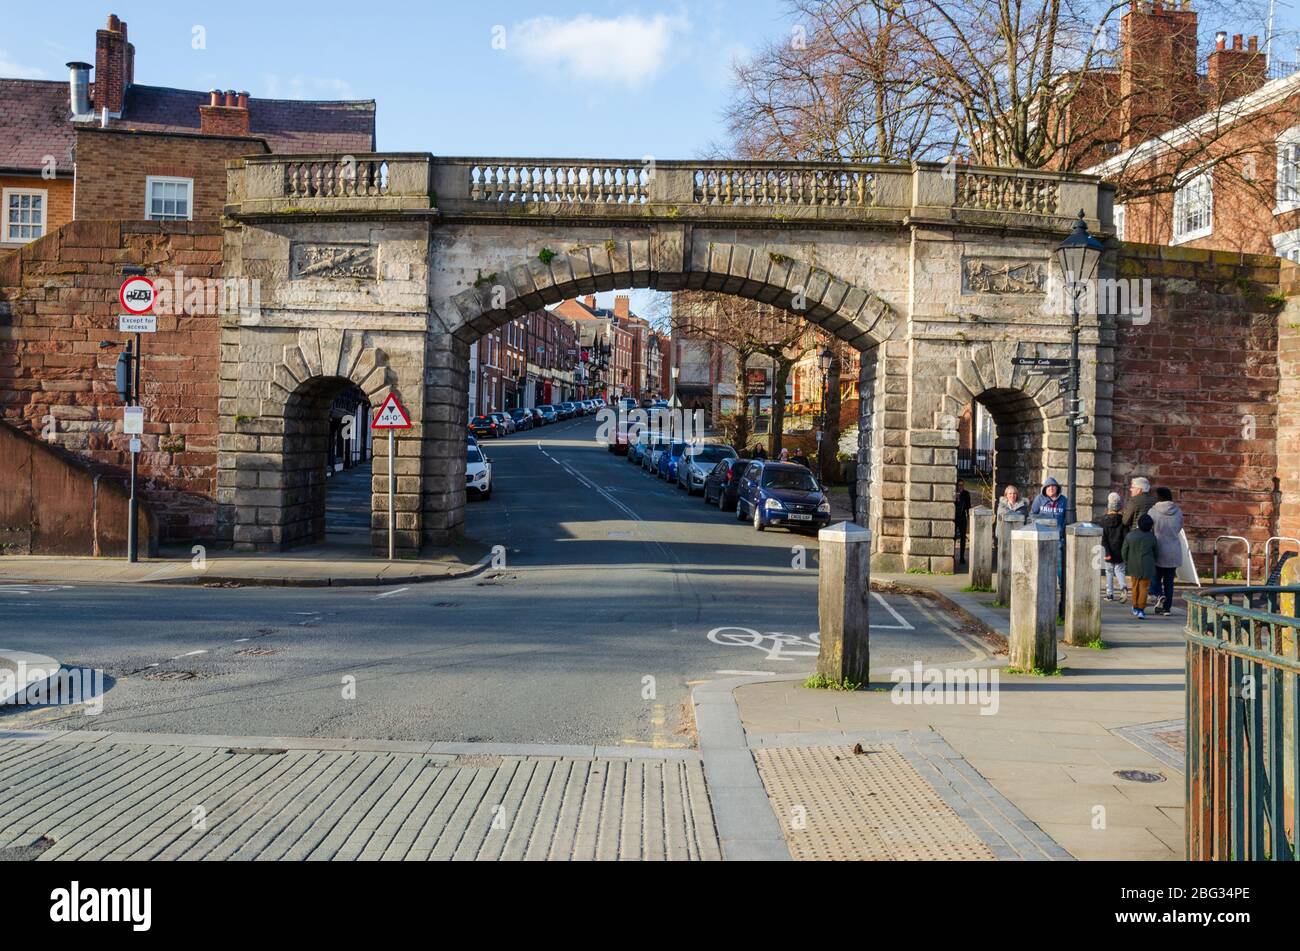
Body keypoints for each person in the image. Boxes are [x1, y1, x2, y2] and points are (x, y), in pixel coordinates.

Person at [1149, 486, 1184, 616]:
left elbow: (1149, 527)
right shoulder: (1178, 511)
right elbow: (1180, 527)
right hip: (1173, 549)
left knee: (1155, 577)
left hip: (1158, 548)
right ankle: (1167, 608)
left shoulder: (1153, 511)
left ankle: (1159, 595)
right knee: (1169, 582)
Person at [1121, 513, 1158, 620]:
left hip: (1133, 565)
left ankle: (1135, 606)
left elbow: (1124, 551)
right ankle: (1141, 609)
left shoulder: (1130, 535)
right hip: (1147, 566)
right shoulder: (1152, 537)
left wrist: (1127, 561)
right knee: (1144, 588)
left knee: (1134, 586)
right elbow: (1156, 552)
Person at [1100, 492, 1128, 603]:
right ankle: (1123, 588)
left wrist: (1107, 551)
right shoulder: (1123, 520)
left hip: (1109, 550)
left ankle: (1110, 594)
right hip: (1120, 549)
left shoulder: (1104, 520)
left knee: (1109, 571)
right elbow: (1126, 536)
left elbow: (1103, 538)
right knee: (1120, 570)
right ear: (1120, 506)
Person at [954, 479, 972, 565]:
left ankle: (962, 557)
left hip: (962, 518)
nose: (960, 486)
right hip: (954, 518)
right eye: (959, 485)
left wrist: (969, 517)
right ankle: (952, 556)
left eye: (962, 485)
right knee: (953, 537)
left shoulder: (966, 494)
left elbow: (968, 506)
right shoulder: (953, 492)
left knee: (963, 538)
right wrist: (956, 499)